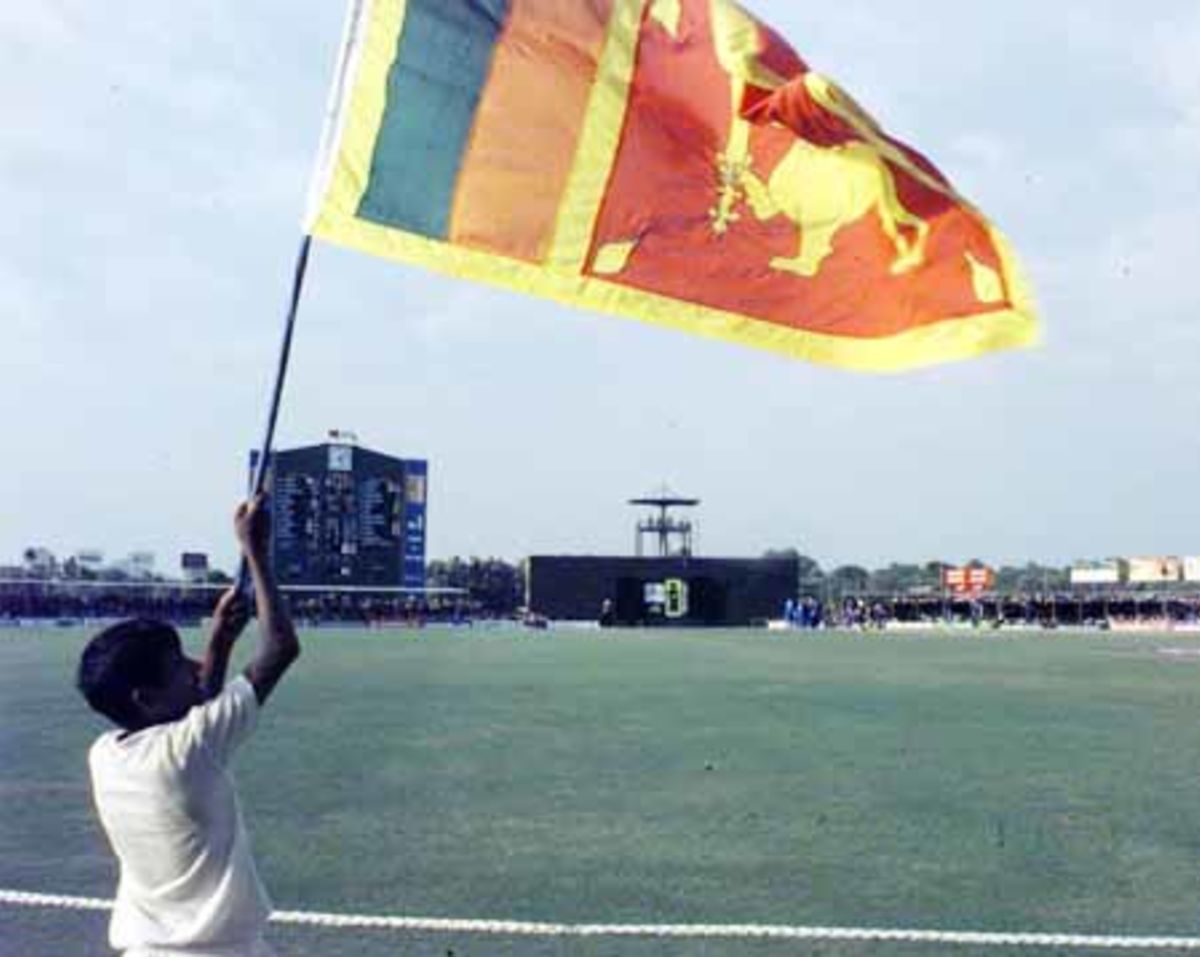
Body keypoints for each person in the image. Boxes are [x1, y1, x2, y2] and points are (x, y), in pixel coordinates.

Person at [77, 494, 300, 956]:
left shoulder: (106, 755)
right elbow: (280, 648)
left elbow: (192, 710)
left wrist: (220, 640)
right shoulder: (186, 752)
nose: (196, 666)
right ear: (145, 698)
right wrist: (256, 550)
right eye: (180, 665)